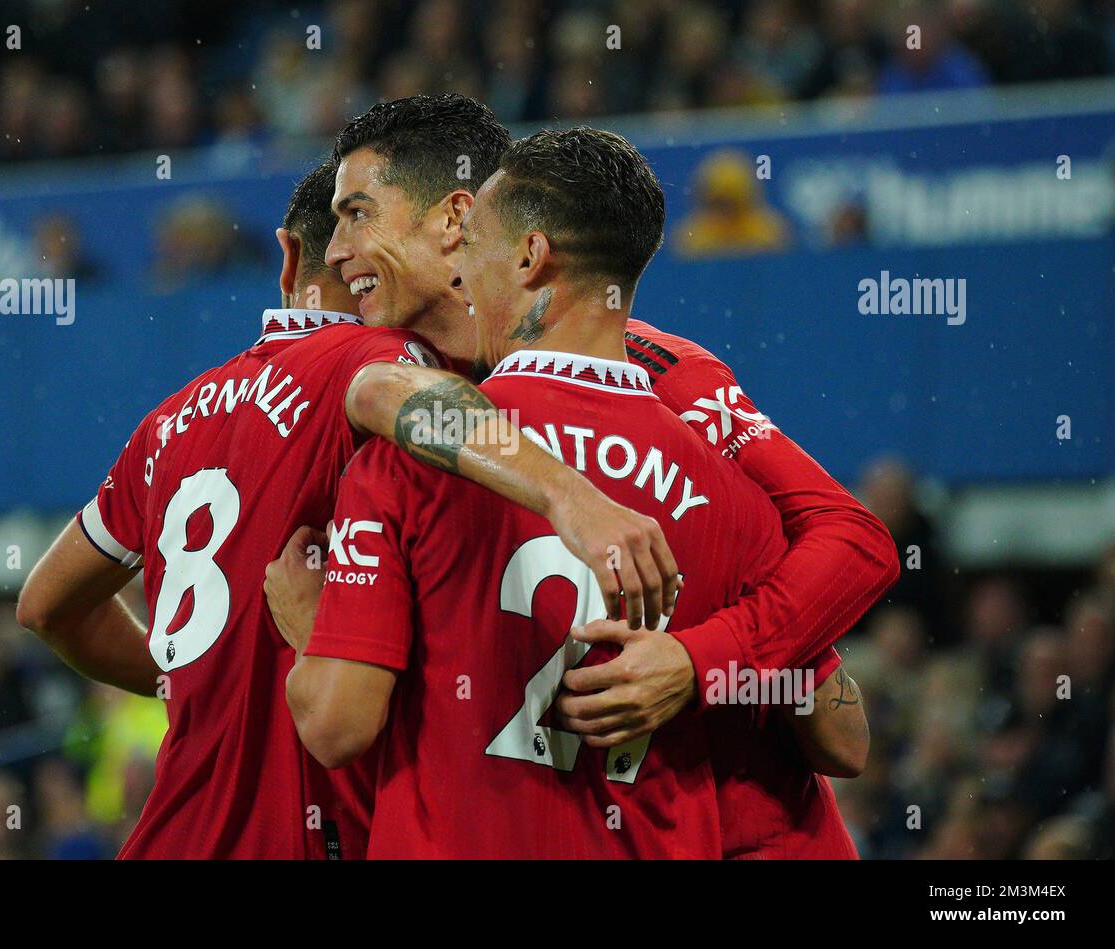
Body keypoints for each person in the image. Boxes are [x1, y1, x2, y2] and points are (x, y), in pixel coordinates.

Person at [16, 158, 679, 859]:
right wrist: (571, 493)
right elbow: (392, 394)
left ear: (285, 259)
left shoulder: (169, 421)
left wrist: (189, 674)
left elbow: (44, 607)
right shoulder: (381, 352)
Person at [318, 94, 897, 857]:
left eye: (358, 213)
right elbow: (838, 725)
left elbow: (854, 545)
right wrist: (568, 491)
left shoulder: (674, 377)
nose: (337, 250)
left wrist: (698, 663)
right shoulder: (717, 487)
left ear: (479, 231)